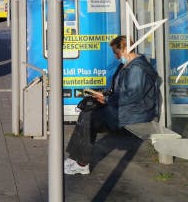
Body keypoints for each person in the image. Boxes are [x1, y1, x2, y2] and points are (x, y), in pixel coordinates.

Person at [64, 35, 161, 175]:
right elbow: (121, 91)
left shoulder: (137, 69)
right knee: (87, 112)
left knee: (90, 116)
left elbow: (132, 96)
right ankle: (76, 158)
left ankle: (81, 163)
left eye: (117, 53)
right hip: (127, 109)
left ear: (127, 49)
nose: (116, 57)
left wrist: (107, 100)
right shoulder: (126, 65)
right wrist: (103, 96)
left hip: (136, 113)